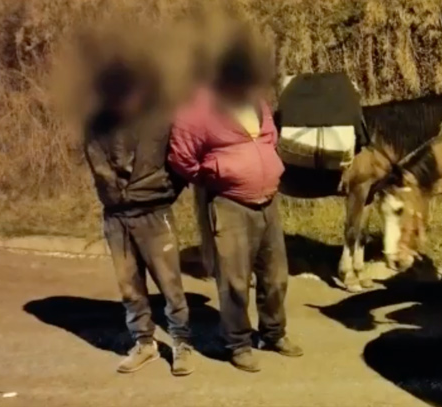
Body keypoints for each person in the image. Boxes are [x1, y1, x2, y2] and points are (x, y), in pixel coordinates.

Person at [168, 32, 303, 372]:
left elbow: (270, 135)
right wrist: (216, 173)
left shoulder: (255, 99)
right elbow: (181, 158)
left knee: (276, 277)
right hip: (229, 205)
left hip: (268, 202)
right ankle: (238, 343)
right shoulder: (196, 108)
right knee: (234, 280)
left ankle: (273, 333)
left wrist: (264, 167)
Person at [83, 59, 194, 376]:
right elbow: (97, 164)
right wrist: (116, 195)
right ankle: (144, 343)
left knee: (171, 286)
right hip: (116, 215)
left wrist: (163, 192)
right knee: (129, 287)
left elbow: (181, 160)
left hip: (154, 211)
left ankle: (182, 344)